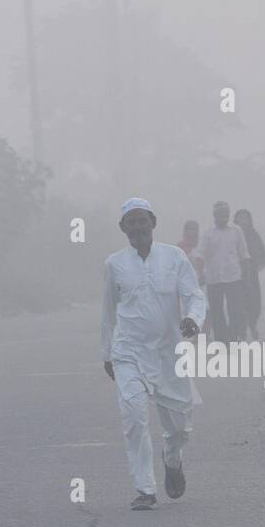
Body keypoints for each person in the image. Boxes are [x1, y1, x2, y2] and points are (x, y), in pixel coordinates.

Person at [101, 197, 206, 510]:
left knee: (179, 426)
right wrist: (107, 352)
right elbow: (107, 313)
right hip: (128, 351)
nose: (137, 226)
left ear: (153, 223)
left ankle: (172, 459)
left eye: (142, 220)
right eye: (130, 222)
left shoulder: (174, 258)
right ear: (123, 228)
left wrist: (193, 319)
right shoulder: (114, 264)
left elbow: (194, 296)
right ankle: (145, 489)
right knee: (134, 416)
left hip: (167, 353)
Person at [193, 201, 250, 343]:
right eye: (220, 215)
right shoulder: (208, 233)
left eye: (226, 215)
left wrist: (247, 277)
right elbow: (200, 256)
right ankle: (221, 341)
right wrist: (200, 274)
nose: (223, 218)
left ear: (228, 215)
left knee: (235, 311)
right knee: (217, 312)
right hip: (214, 279)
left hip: (234, 278)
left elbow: (244, 255)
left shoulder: (236, 231)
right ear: (215, 216)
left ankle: (232, 338)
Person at [233, 209, 265, 340]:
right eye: (240, 218)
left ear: (250, 220)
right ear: (235, 220)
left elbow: (264, 257)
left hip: (251, 275)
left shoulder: (254, 235)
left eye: (245, 218)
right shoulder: (232, 234)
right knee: (238, 304)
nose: (243, 221)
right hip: (235, 275)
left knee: (254, 304)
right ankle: (240, 331)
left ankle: (252, 326)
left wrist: (254, 270)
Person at [177, 220, 211, 341]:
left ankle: (205, 333)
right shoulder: (180, 247)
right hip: (187, 282)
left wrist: (203, 274)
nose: (191, 232)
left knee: (206, 308)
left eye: (194, 229)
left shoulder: (202, 245)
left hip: (203, 280)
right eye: (189, 229)